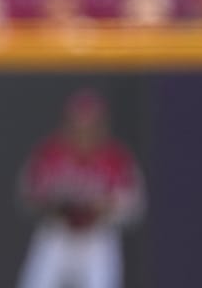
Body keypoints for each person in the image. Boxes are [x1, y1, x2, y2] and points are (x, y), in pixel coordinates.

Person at [17, 89, 144, 288]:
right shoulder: (49, 153)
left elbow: (133, 205)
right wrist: (54, 203)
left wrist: (105, 207)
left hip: (97, 236)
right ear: (67, 124)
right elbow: (27, 194)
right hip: (57, 233)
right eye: (77, 124)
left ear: (101, 126)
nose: (83, 131)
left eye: (90, 126)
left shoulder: (116, 158)